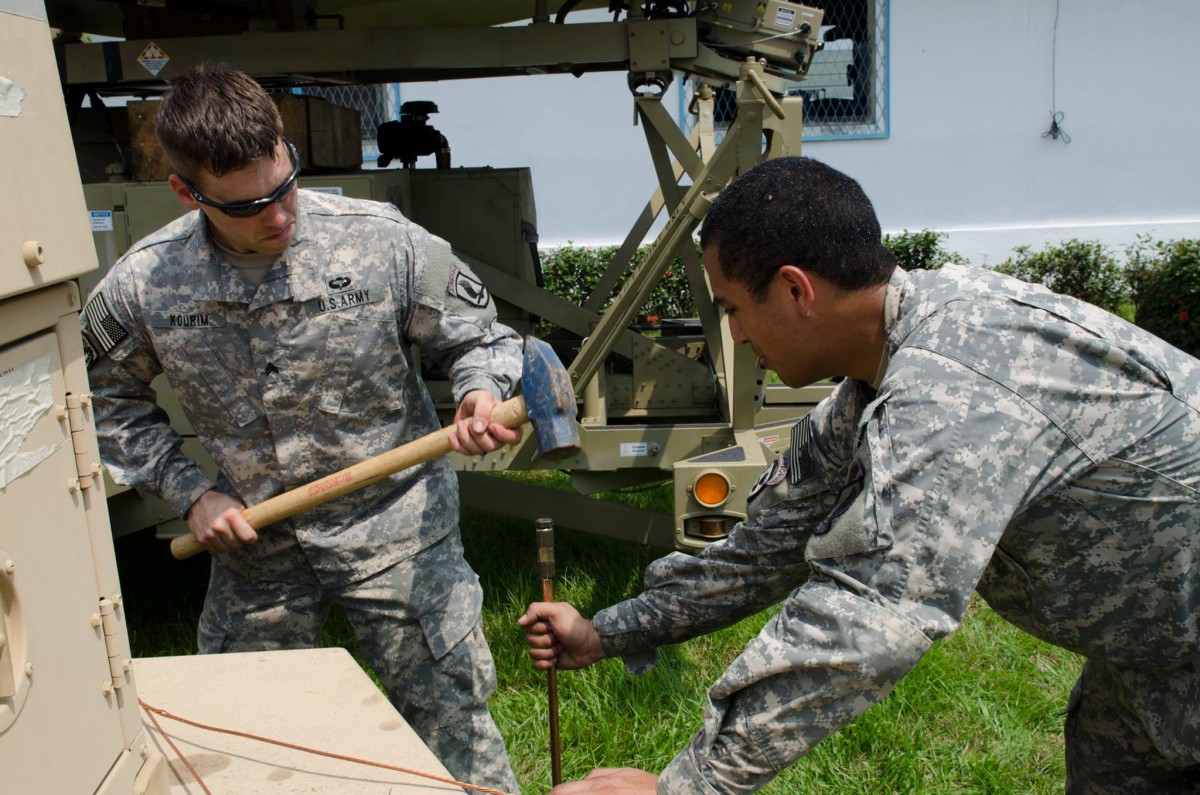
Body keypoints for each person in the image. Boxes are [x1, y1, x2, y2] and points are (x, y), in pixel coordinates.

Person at [520, 156, 1200, 794]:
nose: (738, 334)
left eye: (732, 309)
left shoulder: (951, 390)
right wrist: (609, 631)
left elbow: (866, 616)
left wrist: (685, 784)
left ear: (794, 289)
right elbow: (767, 545)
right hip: (1154, 663)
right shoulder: (881, 370)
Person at [84, 64, 522, 793]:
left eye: (284, 183)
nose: (280, 214)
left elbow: (483, 337)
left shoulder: (381, 242)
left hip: (399, 533)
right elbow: (99, 399)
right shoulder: (145, 283)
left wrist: (479, 392)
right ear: (187, 192)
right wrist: (189, 491)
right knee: (238, 746)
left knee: (456, 735)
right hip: (258, 544)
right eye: (249, 205)